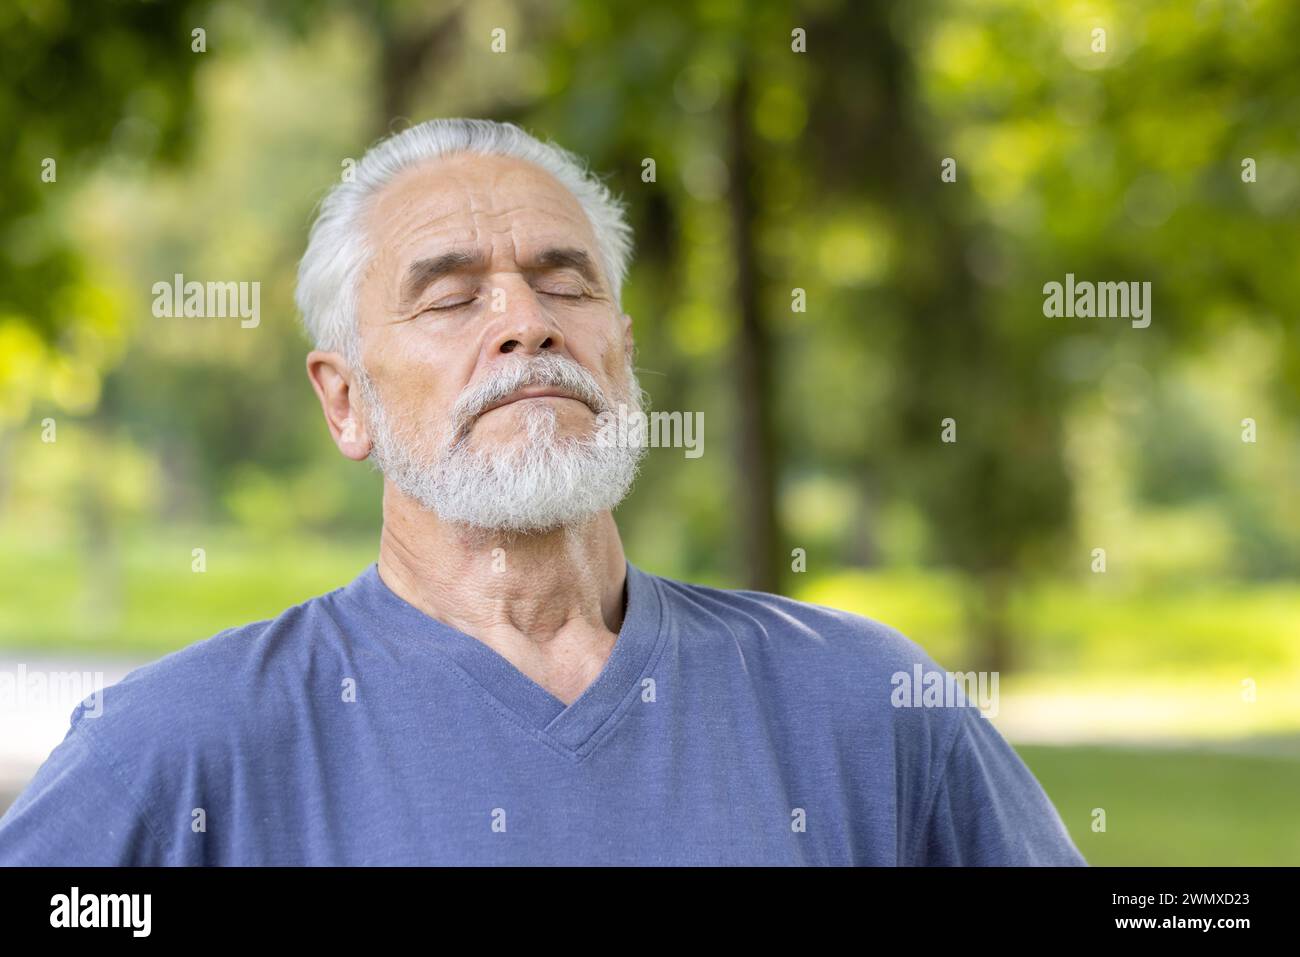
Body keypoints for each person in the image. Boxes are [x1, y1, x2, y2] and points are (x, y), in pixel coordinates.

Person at [0, 119, 1085, 866]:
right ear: (346, 403)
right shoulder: (181, 745)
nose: (527, 322)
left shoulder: (866, 708)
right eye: (450, 298)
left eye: (565, 281)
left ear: (621, 350)